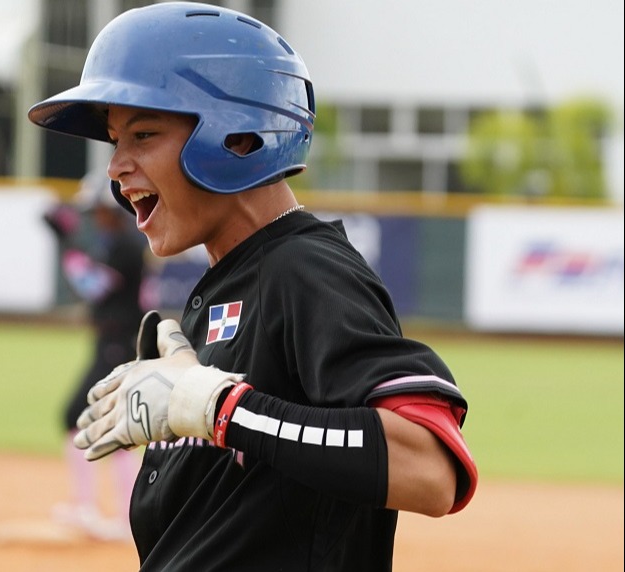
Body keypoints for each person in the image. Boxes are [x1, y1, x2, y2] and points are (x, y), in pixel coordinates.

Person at [29, 3, 478, 570]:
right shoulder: (224, 285)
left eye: (143, 134)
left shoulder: (306, 269)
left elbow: (430, 467)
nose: (116, 165)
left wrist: (220, 409)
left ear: (238, 137)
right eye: (115, 140)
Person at [43, 169, 147, 541]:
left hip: (119, 344)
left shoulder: (125, 246)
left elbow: (93, 286)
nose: (95, 218)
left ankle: (119, 517)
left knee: (87, 419)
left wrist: (67, 248)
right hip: (111, 342)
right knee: (93, 422)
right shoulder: (117, 242)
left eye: (99, 211)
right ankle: (93, 509)